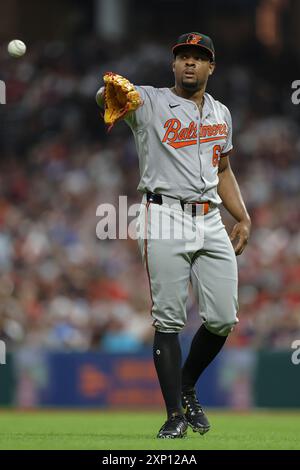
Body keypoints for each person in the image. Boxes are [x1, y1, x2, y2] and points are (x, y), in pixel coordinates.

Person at [96, 32, 251, 439]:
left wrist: (244, 217)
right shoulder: (148, 101)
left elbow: (224, 172)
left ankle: (186, 385)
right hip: (163, 215)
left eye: (198, 58)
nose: (189, 63)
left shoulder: (222, 113)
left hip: (210, 218)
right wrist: (105, 93)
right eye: (183, 56)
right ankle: (174, 415)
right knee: (169, 320)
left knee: (222, 319)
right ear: (173, 63)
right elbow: (105, 99)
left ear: (210, 67)